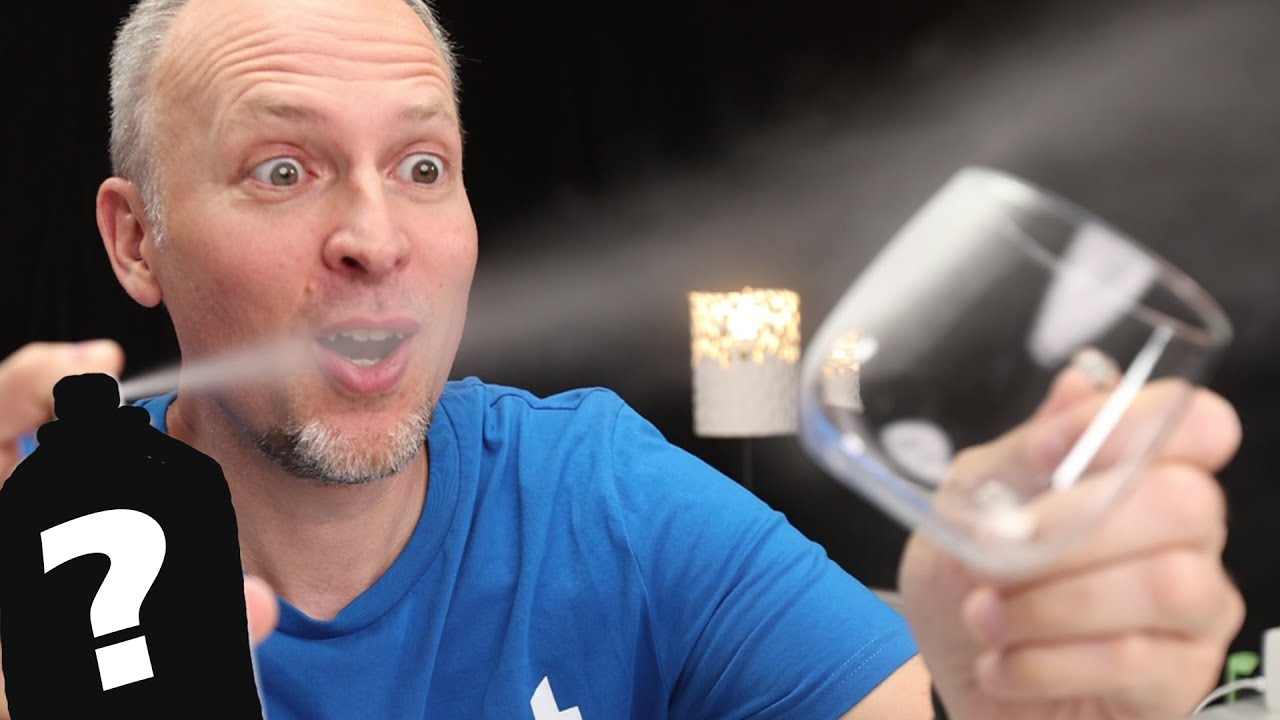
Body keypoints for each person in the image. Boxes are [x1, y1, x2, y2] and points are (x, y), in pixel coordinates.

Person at [0, 0, 1243, 717]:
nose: (376, 238)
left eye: (423, 167)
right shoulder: (34, 548)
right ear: (136, 241)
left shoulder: (598, 495)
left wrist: (1005, 696)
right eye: (283, 169)